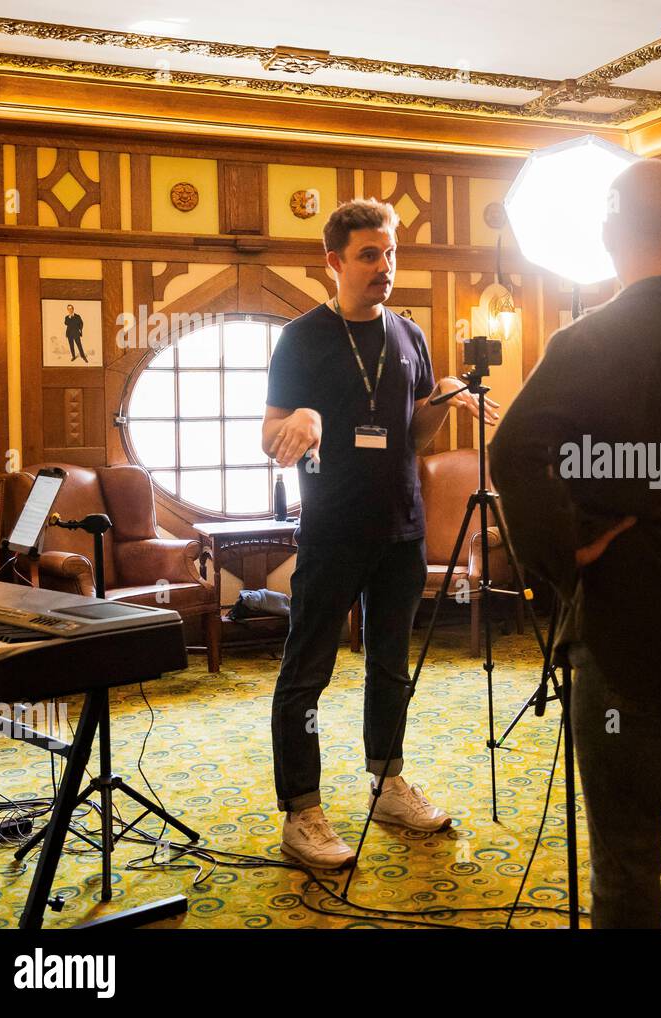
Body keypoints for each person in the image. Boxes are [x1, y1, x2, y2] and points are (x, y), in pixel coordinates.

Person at [490, 158, 661, 928]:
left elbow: (512, 455)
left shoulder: (587, 342)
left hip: (632, 632)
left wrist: (562, 559)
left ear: (609, 234)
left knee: (626, 858)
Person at [262, 197, 499, 870]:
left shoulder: (409, 336)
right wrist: (302, 418)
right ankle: (301, 810)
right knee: (307, 671)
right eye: (369, 255)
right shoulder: (302, 338)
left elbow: (414, 434)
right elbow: (270, 433)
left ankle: (387, 780)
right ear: (334, 262)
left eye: (390, 253)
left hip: (402, 527)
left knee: (391, 667)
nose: (383, 267)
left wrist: (446, 399)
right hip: (334, 528)